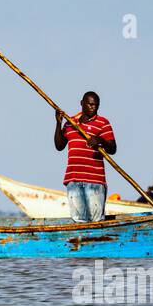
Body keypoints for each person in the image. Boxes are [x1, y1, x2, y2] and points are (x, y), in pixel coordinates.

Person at [53, 91, 117, 222]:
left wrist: (100, 140)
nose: (93, 107)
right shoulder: (70, 123)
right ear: (82, 104)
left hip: (94, 180)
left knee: (96, 220)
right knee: (78, 220)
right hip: (73, 179)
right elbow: (59, 146)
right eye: (90, 104)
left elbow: (113, 148)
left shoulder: (103, 123)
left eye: (96, 105)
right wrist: (58, 123)